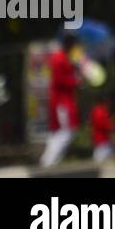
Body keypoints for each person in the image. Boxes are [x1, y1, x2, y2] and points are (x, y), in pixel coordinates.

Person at [39, 31, 81, 168]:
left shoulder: (64, 57)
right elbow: (60, 80)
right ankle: (48, 161)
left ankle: (49, 162)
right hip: (61, 102)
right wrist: (77, 80)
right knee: (66, 131)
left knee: (59, 132)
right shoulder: (59, 58)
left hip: (63, 101)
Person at [90, 96, 115, 164]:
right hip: (101, 140)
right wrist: (111, 127)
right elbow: (101, 123)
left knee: (110, 156)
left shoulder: (102, 110)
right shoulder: (99, 111)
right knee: (99, 159)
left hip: (105, 140)